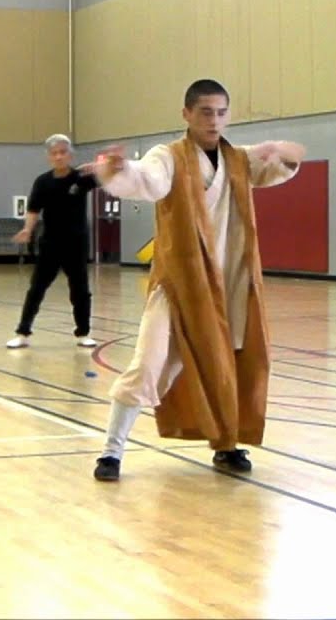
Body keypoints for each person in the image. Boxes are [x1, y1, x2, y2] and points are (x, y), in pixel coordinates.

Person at [89, 79, 305, 481]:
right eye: (205, 112)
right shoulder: (168, 156)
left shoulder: (238, 159)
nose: (214, 120)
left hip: (229, 286)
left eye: (221, 112)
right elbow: (147, 180)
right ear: (187, 114)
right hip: (179, 285)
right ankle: (111, 452)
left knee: (228, 366)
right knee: (148, 365)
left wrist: (285, 151)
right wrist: (118, 170)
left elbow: (281, 166)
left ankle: (226, 445)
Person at [5, 134, 99, 349]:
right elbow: (33, 209)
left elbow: (111, 174)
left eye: (63, 152)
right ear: (49, 156)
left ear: (70, 154)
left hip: (76, 243)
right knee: (37, 288)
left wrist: (98, 165)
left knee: (80, 289)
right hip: (50, 243)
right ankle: (22, 332)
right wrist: (27, 229)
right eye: (54, 153)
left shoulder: (81, 178)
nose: (58, 157)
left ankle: (83, 333)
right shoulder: (42, 182)